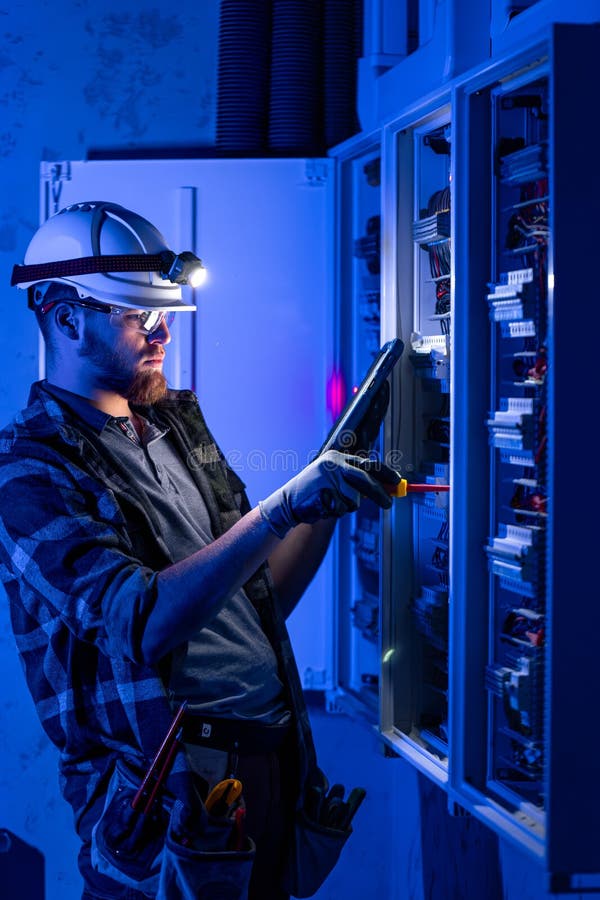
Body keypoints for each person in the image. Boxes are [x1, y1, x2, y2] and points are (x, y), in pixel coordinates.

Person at [0, 201, 397, 900]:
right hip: (171, 803)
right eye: (136, 315)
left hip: (269, 768)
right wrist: (286, 504)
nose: (161, 331)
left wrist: (323, 499)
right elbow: (140, 621)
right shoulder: (28, 474)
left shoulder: (176, 426)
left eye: (165, 313)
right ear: (66, 319)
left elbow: (254, 597)